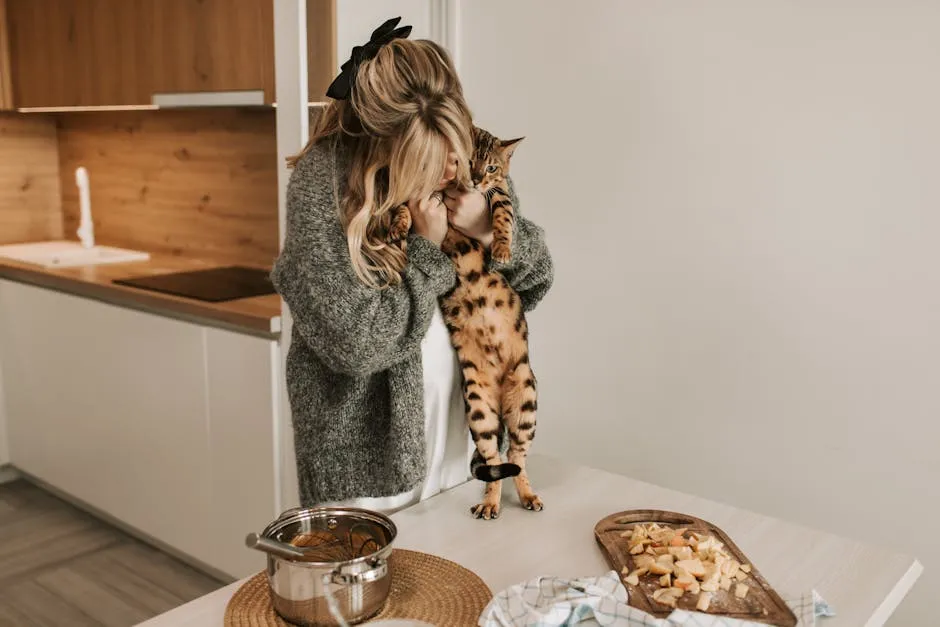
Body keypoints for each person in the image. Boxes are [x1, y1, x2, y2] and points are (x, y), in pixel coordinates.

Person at [270, 18, 554, 513]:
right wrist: (427, 247)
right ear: (383, 144)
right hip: (370, 467)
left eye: (455, 148)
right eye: (429, 158)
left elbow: (533, 282)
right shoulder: (323, 186)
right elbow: (356, 345)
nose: (451, 169)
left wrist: (489, 227)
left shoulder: (467, 152)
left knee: (463, 587)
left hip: (464, 435)